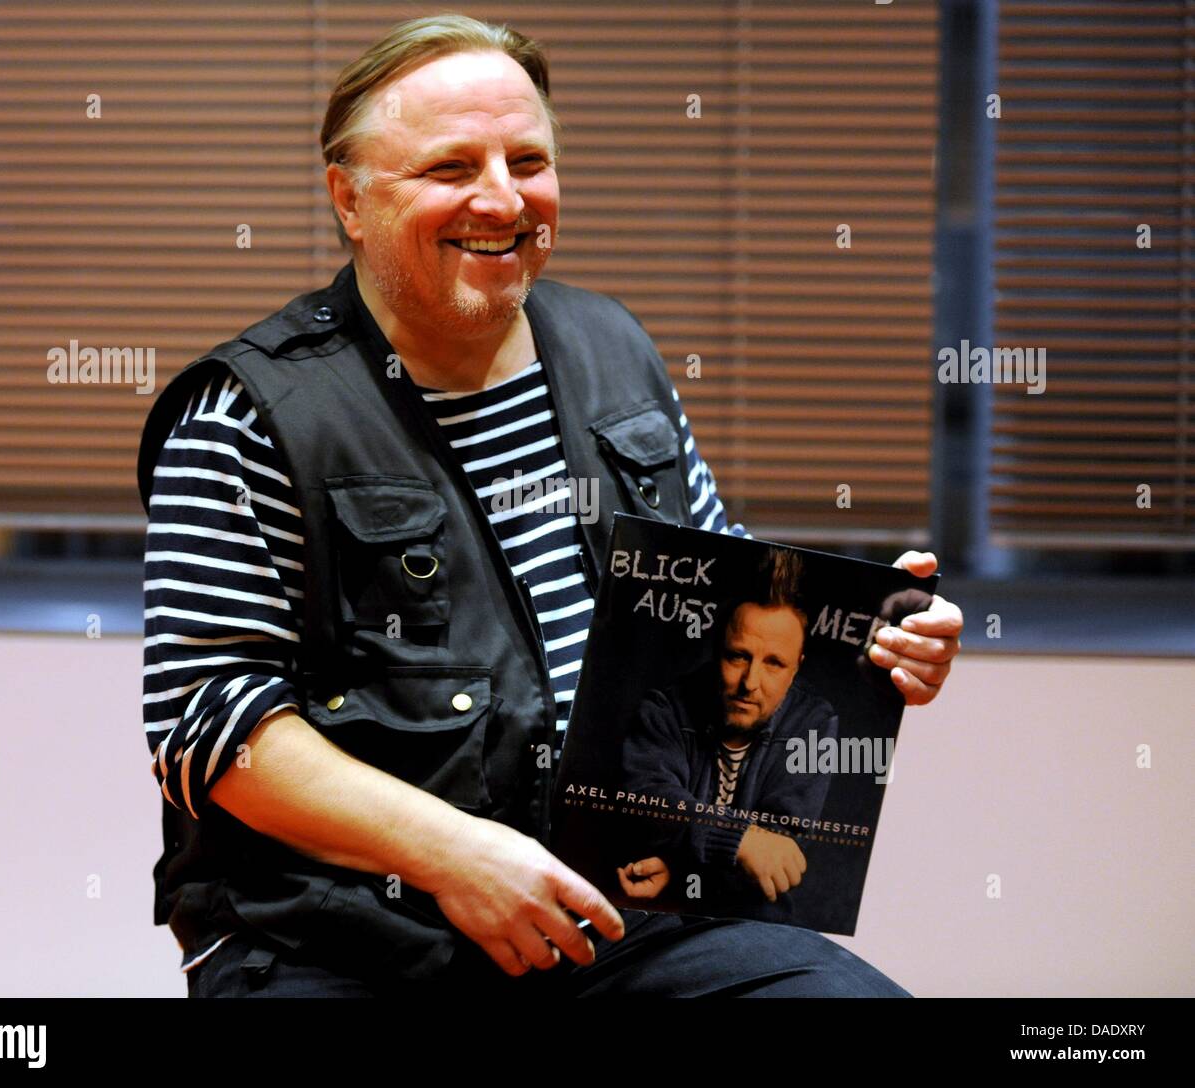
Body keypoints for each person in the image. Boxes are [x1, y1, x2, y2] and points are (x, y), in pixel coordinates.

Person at [137, 13, 963, 998]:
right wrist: (457, 856)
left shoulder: (613, 347)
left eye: (526, 160)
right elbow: (207, 724)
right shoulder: (247, 414)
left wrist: (865, 643)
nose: (500, 197)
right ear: (347, 200)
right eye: (450, 168)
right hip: (339, 931)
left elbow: (711, 597)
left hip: (617, 905)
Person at [615, 551, 838, 912]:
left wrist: (680, 863)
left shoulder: (813, 722)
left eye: (774, 664)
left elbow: (778, 853)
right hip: (659, 916)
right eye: (738, 656)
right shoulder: (665, 709)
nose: (750, 683)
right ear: (717, 649)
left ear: (797, 668)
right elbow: (646, 803)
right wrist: (740, 840)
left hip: (754, 924)